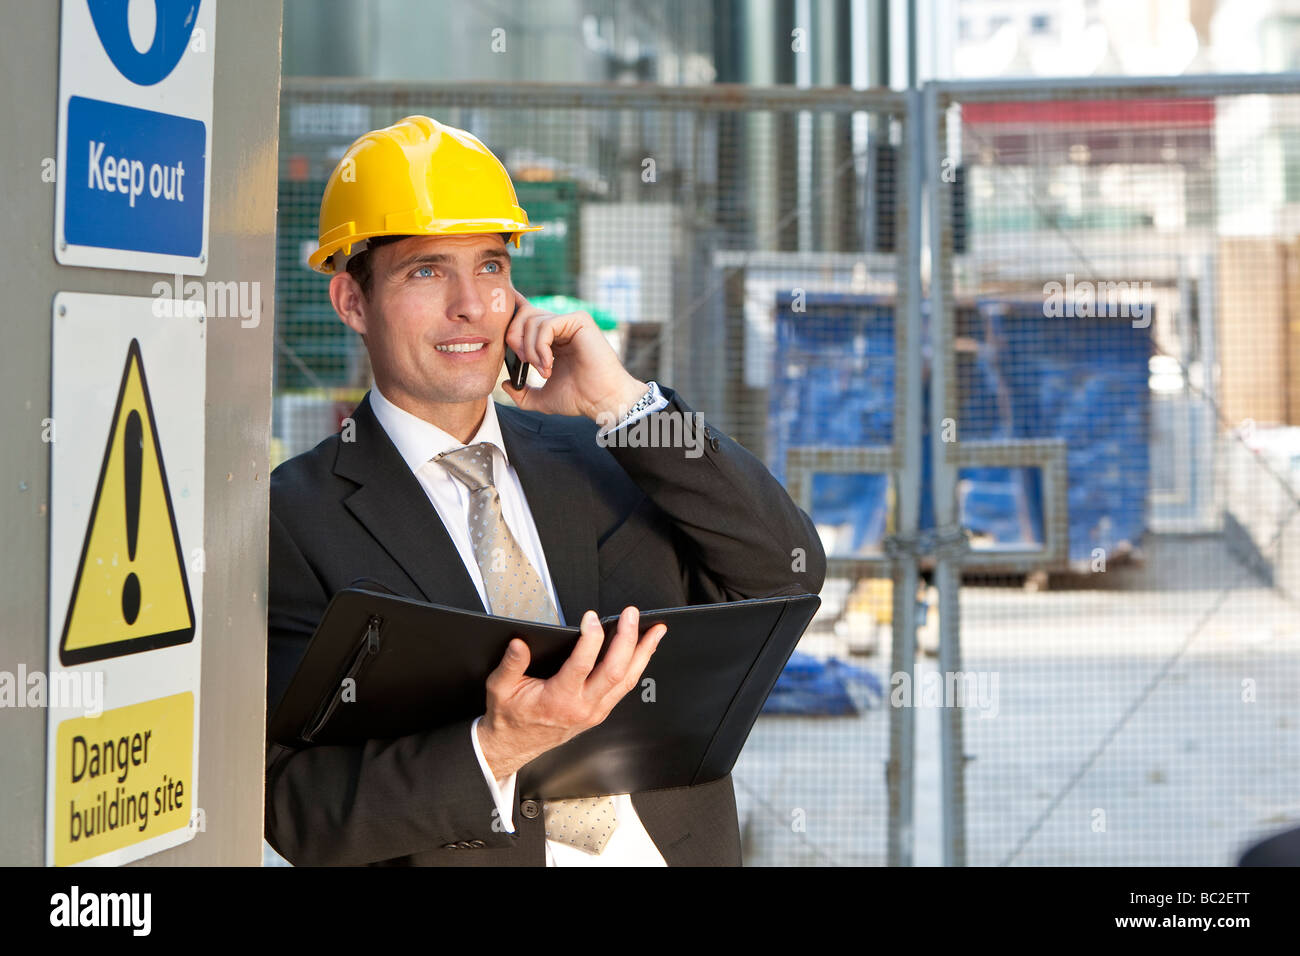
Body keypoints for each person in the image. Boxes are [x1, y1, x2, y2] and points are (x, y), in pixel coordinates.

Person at [264, 115, 826, 866]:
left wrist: (624, 404)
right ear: (352, 302)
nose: (470, 305)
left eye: (491, 266)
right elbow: (297, 810)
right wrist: (496, 748)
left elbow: (786, 566)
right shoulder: (293, 519)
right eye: (427, 271)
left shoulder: (608, 455)